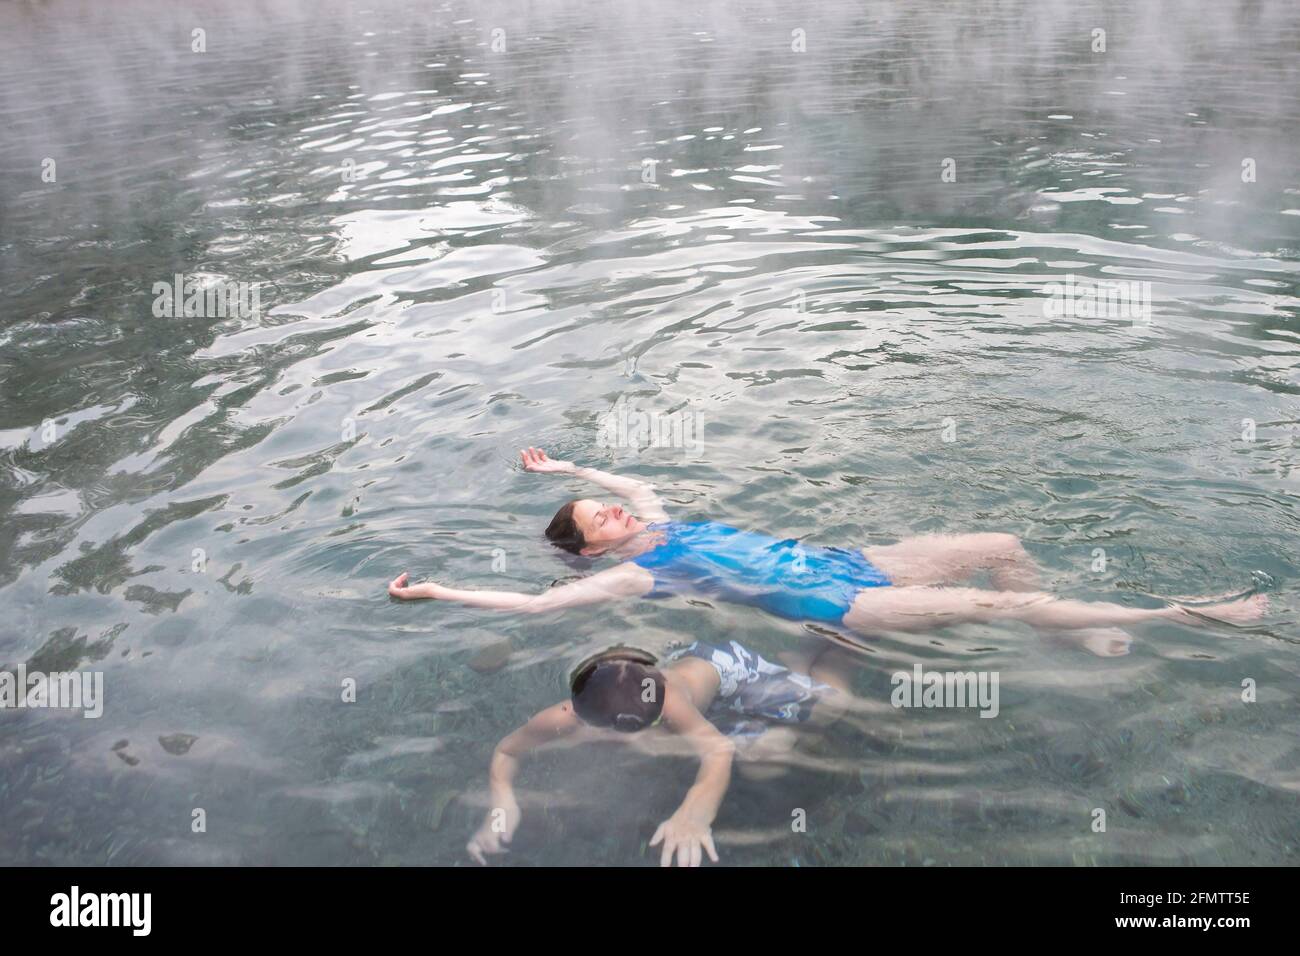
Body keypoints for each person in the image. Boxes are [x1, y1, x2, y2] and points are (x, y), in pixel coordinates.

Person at [388, 448, 1267, 657]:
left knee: (1001, 544)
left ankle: (1070, 638)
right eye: (597, 515)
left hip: (855, 559)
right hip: (843, 607)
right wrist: (437, 594)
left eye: (605, 506)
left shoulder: (662, 519)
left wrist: (567, 465)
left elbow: (635, 480)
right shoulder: (642, 570)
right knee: (1013, 604)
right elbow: (541, 607)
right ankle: (1185, 615)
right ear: (591, 547)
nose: (614, 509)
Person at [465, 640, 859, 867]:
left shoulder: (668, 703)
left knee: (833, 707)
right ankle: (796, 666)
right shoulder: (566, 717)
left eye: (647, 728)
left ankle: (835, 641)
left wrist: (693, 815)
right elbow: (507, 752)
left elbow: (717, 750)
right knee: (762, 765)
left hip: (729, 677)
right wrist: (502, 807)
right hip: (701, 707)